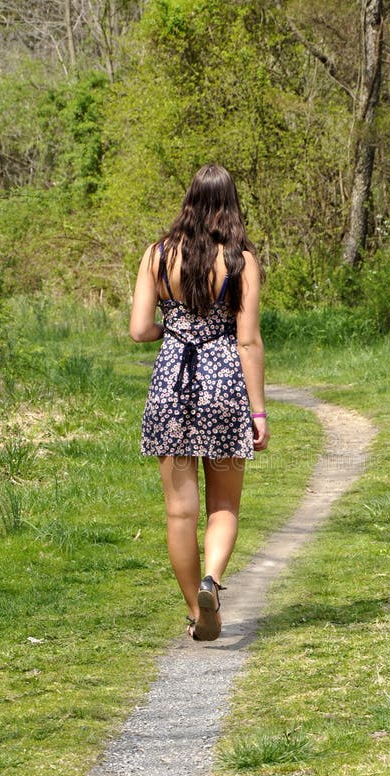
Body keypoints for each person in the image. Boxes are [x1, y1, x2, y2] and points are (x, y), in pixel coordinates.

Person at [129, 164, 270, 642]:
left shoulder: (156, 255)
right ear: (231, 203)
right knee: (224, 504)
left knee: (179, 512)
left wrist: (171, 329)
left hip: (172, 384)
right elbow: (248, 342)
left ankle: (196, 610)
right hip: (224, 385)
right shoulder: (241, 261)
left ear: (189, 200)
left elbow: (138, 330)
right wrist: (258, 412)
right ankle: (212, 578)